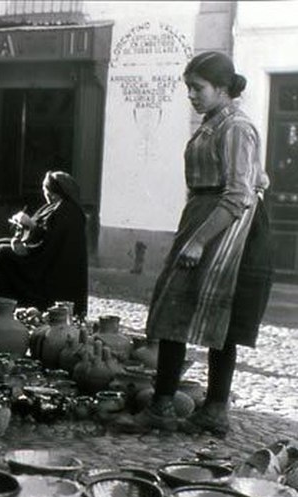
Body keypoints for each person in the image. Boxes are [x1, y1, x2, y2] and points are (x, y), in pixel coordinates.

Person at [134, 51, 273, 436]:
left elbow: (238, 193)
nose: (191, 96)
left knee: (217, 319)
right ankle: (165, 405)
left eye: (198, 88)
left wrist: (198, 241)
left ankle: (211, 409)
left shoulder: (237, 127)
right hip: (205, 216)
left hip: (227, 229)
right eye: (189, 88)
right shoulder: (215, 123)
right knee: (174, 310)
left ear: (222, 88)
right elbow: (253, 177)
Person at [0, 170, 88, 317]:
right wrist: (24, 226)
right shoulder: (53, 206)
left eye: (45, 190)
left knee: (2, 253)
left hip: (50, 266)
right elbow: (43, 232)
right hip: (43, 252)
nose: (44, 193)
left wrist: (31, 230)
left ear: (54, 193)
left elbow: (51, 242)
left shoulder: (68, 211)